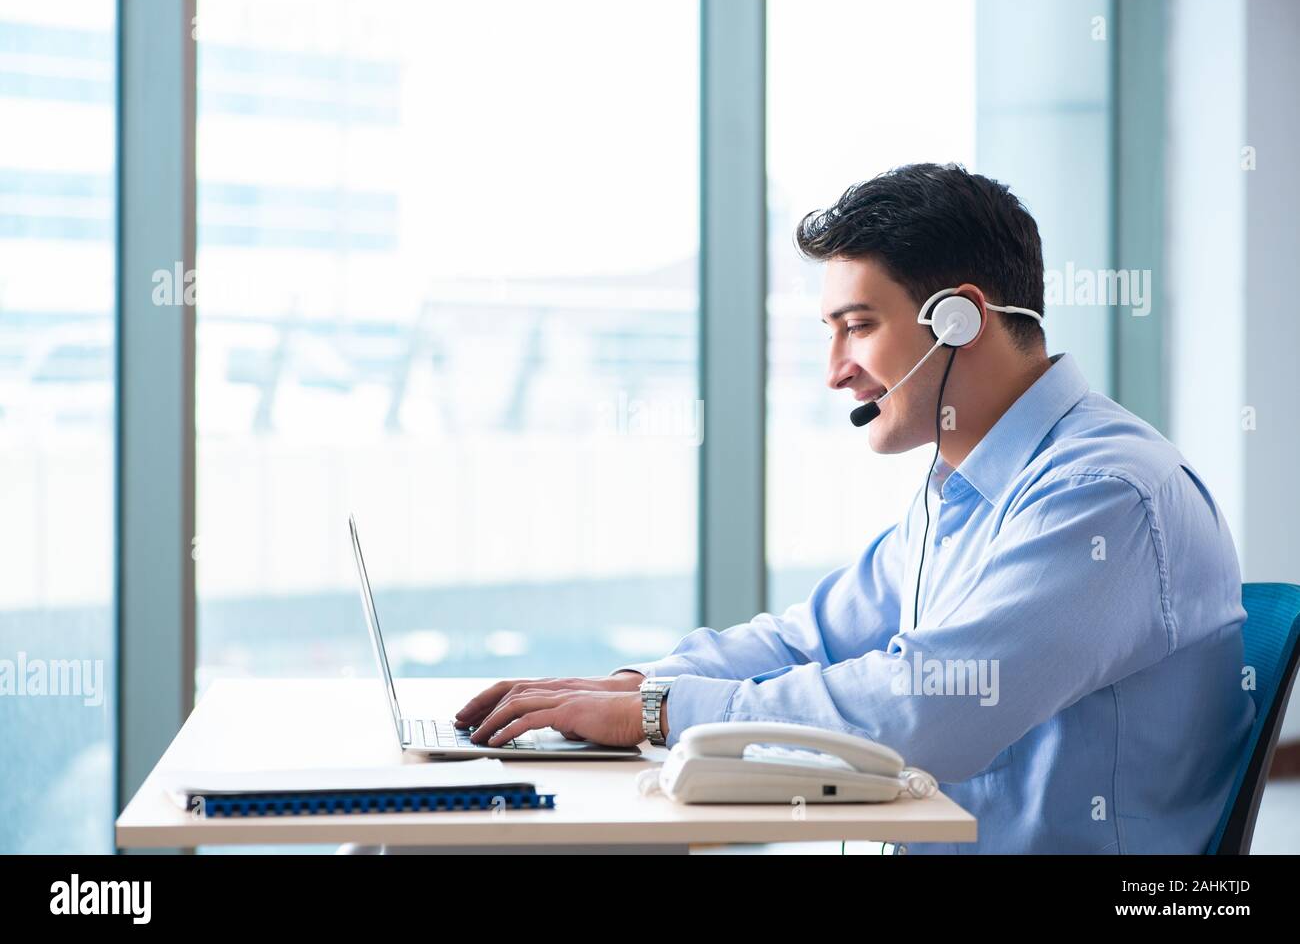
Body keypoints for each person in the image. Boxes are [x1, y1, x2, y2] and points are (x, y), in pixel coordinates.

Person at [454, 163, 1255, 853]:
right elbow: (811, 638)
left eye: (858, 327)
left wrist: (657, 712)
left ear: (959, 320)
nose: (835, 370)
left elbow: (927, 707)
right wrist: (630, 687)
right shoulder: (964, 488)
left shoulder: (1101, 496)